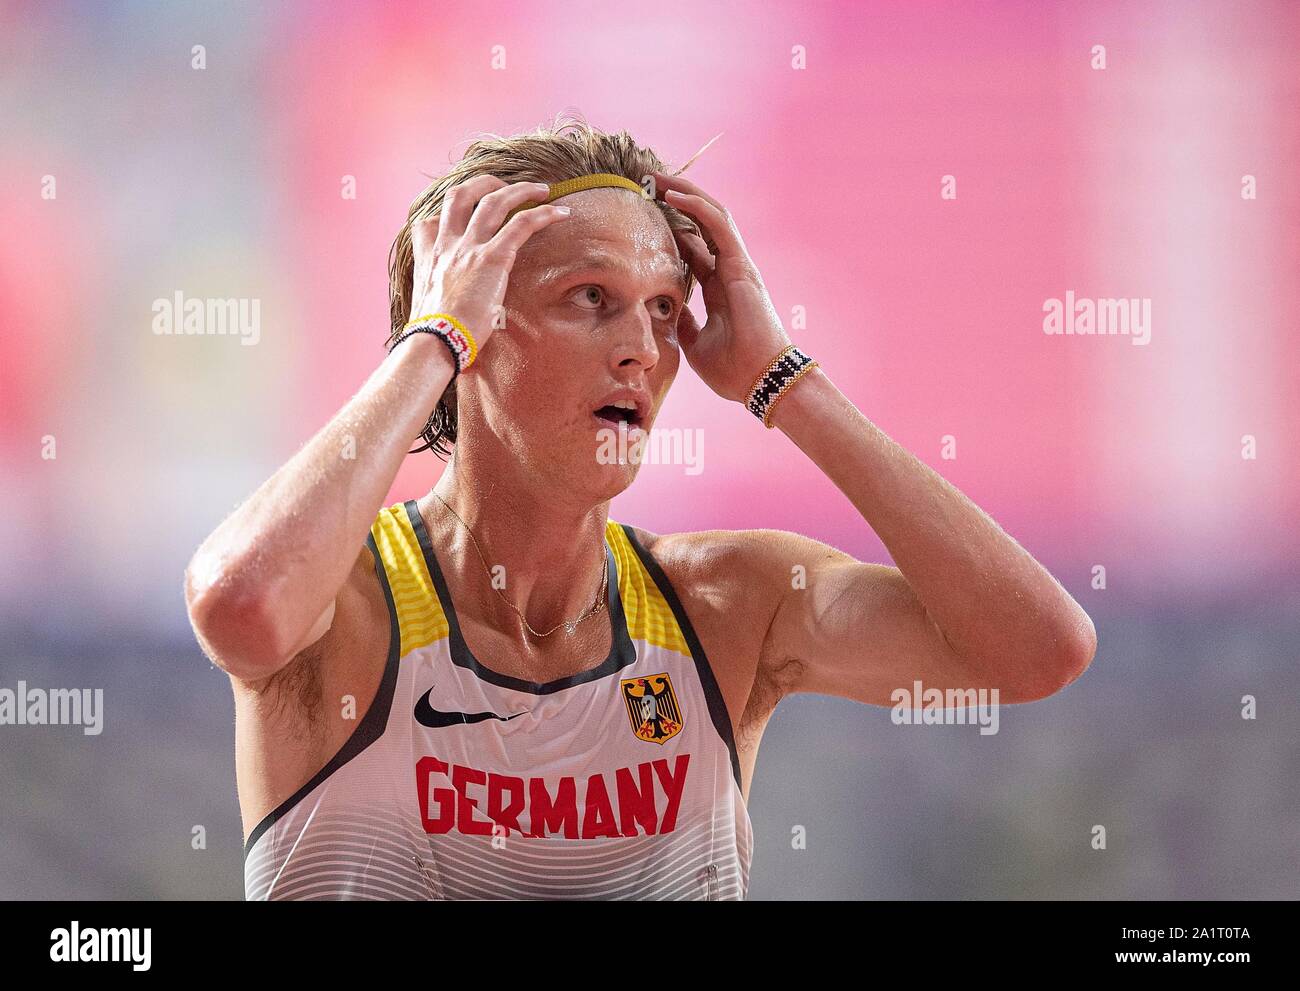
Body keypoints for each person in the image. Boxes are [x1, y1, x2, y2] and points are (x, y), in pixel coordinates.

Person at [184, 117, 1096, 900]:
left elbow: (1038, 650)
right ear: (475, 325)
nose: (641, 351)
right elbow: (241, 607)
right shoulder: (345, 604)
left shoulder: (724, 604)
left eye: (664, 309)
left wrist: (787, 383)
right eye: (592, 299)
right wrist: (432, 342)